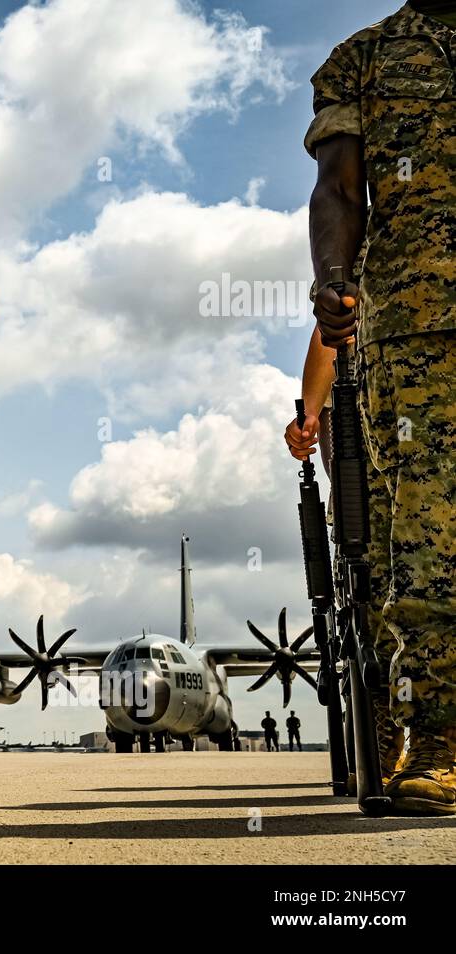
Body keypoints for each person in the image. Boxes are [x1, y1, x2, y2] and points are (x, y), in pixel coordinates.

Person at [304, 0, 456, 814]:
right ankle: (436, 733)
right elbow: (337, 187)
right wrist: (333, 278)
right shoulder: (361, 59)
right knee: (425, 537)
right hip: (418, 327)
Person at [285, 326, 402, 790]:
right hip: (364, 460)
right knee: (368, 593)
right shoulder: (359, 269)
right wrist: (310, 413)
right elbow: (329, 331)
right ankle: (383, 735)